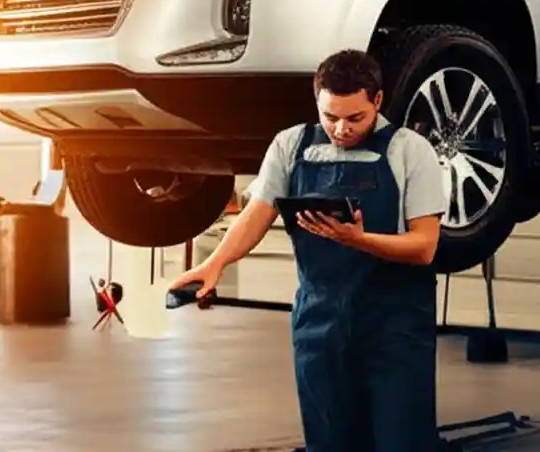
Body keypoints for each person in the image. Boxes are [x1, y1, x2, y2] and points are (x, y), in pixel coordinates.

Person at [169, 49, 447, 451]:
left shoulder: (411, 150)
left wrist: (359, 240)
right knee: (329, 442)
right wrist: (215, 264)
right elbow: (257, 215)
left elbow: (424, 246)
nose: (341, 129)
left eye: (355, 118)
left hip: (394, 328)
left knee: (402, 442)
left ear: (378, 102)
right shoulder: (290, 145)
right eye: (330, 116)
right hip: (320, 324)